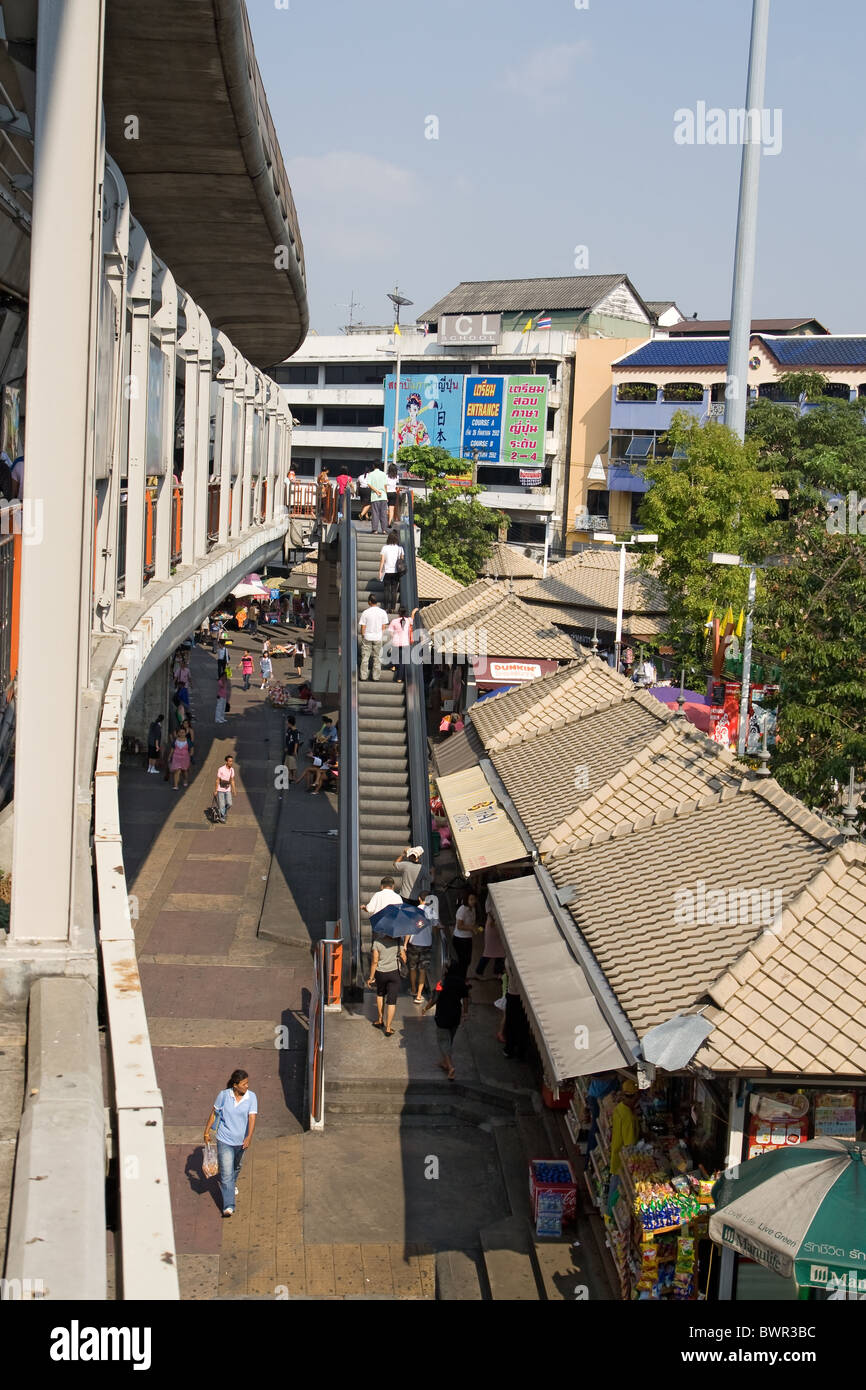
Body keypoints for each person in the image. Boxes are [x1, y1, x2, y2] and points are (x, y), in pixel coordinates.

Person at [203, 1068, 257, 1218]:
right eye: (244, 1083)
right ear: (235, 1085)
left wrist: (249, 1137)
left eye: (247, 1083)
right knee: (226, 1174)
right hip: (224, 1140)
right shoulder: (223, 1096)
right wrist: (206, 1132)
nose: (247, 1086)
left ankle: (231, 1185)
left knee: (236, 1166)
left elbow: (252, 1118)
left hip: (241, 1142)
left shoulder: (251, 1097)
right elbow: (214, 1113)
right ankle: (228, 1205)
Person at [423, 963, 470, 1081]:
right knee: (450, 1039)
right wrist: (465, 1013)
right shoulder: (461, 983)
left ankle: (450, 1067)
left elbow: (435, 998)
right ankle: (445, 1062)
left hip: (443, 1015)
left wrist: (426, 1008)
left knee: (443, 1041)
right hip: (455, 1015)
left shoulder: (442, 983)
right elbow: (465, 999)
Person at [609, 1079, 641, 1208]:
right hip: (622, 1161)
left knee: (613, 1186)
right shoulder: (627, 1116)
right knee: (617, 1191)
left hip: (616, 1153)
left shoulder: (620, 1108)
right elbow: (630, 1144)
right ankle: (609, 1217)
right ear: (635, 1096)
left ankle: (608, 1215)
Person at [366, 931, 405, 1037]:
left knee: (380, 994)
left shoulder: (377, 942)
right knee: (392, 1001)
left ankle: (380, 1020)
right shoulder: (398, 941)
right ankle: (388, 1028)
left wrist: (371, 977)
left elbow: (374, 961)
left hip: (381, 973)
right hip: (394, 973)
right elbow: (404, 959)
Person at [407, 888, 436, 1004]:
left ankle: (413, 989)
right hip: (427, 944)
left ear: (419, 899)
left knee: (413, 967)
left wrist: (405, 944)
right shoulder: (432, 912)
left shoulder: (413, 911)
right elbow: (435, 927)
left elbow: (409, 929)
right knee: (423, 969)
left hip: (414, 943)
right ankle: (419, 996)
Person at [503, 959, 530, 1061]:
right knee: (523, 1026)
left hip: (512, 994)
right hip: (522, 997)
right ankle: (521, 1053)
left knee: (511, 1024)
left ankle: (509, 1049)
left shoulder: (508, 960)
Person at [358, 594, 387, 682]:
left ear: (369, 602)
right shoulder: (382, 612)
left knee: (365, 658)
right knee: (377, 657)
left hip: (367, 637)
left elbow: (363, 627)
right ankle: (375, 677)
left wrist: (363, 635)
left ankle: (363, 676)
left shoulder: (365, 612)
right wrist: (381, 635)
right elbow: (383, 626)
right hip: (378, 637)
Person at [475, 904, 506, 980]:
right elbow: (488, 910)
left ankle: (497, 972)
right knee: (488, 952)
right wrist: (494, 919)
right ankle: (478, 972)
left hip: (500, 926)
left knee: (501, 953)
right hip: (492, 927)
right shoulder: (489, 899)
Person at [451, 890, 479, 975]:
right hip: (460, 939)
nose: (473, 901)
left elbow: (472, 923)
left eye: (474, 899)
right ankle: (458, 980)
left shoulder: (473, 909)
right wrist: (471, 928)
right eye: (471, 899)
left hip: (468, 938)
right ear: (467, 900)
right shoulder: (462, 910)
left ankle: (463, 979)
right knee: (460, 962)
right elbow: (459, 926)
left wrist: (475, 928)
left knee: (467, 961)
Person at [387, 606, 417, 681]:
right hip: (405, 643)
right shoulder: (408, 620)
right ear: (405, 613)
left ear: (398, 613)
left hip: (396, 642)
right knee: (402, 661)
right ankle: (399, 678)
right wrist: (413, 612)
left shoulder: (394, 621)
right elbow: (412, 618)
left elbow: (390, 632)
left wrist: (394, 635)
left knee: (394, 655)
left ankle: (393, 666)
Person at [378, 528, 404, 614]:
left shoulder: (385, 548)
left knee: (386, 590)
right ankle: (392, 608)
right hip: (396, 572)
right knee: (394, 590)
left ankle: (385, 607)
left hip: (387, 571)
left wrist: (380, 571)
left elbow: (382, 561)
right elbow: (402, 559)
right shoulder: (400, 548)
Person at [365, 464, 389, 534]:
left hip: (375, 496)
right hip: (383, 496)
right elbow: (385, 486)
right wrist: (386, 495)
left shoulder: (371, 474)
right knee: (383, 513)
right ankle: (384, 530)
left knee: (375, 513)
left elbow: (369, 484)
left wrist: (376, 491)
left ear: (373, 466)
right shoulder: (383, 474)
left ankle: (375, 530)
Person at [214, 755, 236, 823]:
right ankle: (223, 816)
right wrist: (215, 790)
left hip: (228, 789)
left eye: (232, 761)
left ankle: (222, 811)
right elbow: (217, 780)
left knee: (229, 803)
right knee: (222, 804)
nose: (231, 762)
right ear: (226, 762)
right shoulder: (221, 769)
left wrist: (234, 790)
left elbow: (232, 780)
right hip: (220, 790)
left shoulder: (232, 770)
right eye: (230, 761)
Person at [170, 725, 191, 789]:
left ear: (185, 733)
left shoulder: (188, 741)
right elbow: (172, 749)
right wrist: (169, 756)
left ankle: (185, 779)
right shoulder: (175, 741)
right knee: (177, 771)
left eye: (183, 732)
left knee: (184, 771)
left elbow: (191, 750)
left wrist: (190, 756)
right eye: (180, 732)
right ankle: (175, 785)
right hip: (176, 758)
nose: (181, 734)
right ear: (178, 733)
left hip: (185, 758)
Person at [283, 715, 300, 783]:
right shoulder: (289, 729)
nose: (286, 722)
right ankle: (290, 777)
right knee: (287, 764)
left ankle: (294, 778)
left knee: (293, 766)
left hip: (292, 750)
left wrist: (295, 751)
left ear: (290, 723)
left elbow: (296, 742)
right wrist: (286, 747)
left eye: (287, 721)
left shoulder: (295, 731)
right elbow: (288, 739)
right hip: (288, 749)